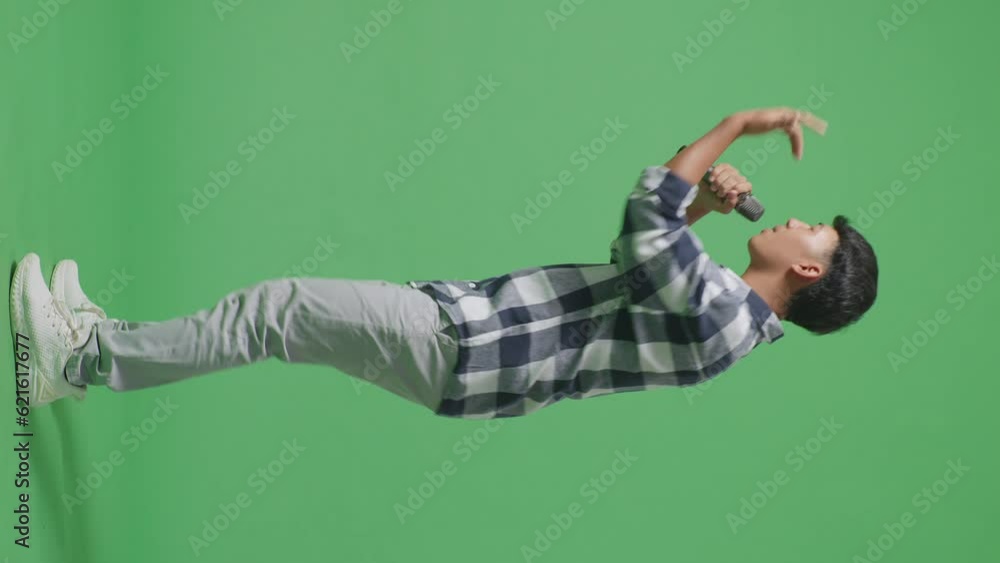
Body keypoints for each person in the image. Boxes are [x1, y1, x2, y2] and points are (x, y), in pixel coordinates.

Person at [10, 107, 878, 418]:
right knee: (276, 316)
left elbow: (643, 221)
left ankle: (80, 359)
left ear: (808, 272)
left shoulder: (728, 318)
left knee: (276, 310)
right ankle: (102, 346)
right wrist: (703, 204)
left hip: (469, 348)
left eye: (814, 233)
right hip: (468, 342)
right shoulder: (726, 307)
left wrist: (731, 124)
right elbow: (635, 256)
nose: (797, 220)